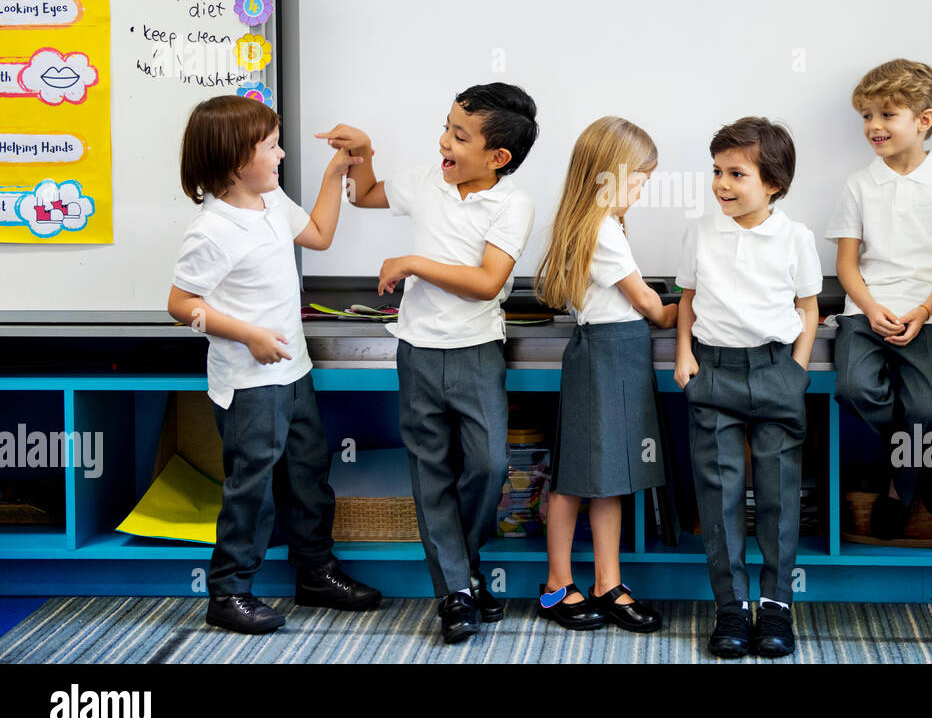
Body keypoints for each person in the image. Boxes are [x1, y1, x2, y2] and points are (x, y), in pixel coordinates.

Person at [318, 83, 538, 644]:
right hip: (417, 350)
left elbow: (487, 283)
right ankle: (456, 593)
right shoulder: (424, 180)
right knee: (430, 473)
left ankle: (460, 569)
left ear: (497, 158)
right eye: (445, 126)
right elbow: (364, 194)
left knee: (488, 465)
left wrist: (413, 261)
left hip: (477, 352)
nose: (444, 141)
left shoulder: (513, 204)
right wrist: (362, 153)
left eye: (459, 136)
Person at [168, 95, 381, 634]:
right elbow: (181, 306)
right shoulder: (212, 229)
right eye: (271, 147)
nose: (282, 154)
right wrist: (247, 334)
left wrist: (337, 172)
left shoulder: (270, 202)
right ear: (238, 161)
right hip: (250, 383)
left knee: (309, 477)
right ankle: (229, 592)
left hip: (292, 373)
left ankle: (314, 572)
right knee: (254, 488)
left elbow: (319, 235)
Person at [675, 117, 821, 658]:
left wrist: (797, 371)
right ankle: (731, 608)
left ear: (773, 183)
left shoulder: (795, 237)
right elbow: (688, 298)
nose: (722, 184)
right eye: (717, 171)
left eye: (737, 173)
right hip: (712, 370)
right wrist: (684, 355)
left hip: (775, 371)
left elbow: (808, 308)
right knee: (720, 492)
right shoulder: (699, 230)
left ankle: (777, 606)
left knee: (780, 494)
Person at [534, 117, 677, 632]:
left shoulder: (599, 224)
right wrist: (708, 300)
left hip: (617, 354)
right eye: (638, 178)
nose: (642, 189)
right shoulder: (602, 231)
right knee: (576, 477)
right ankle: (556, 585)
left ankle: (605, 584)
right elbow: (654, 310)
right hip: (607, 355)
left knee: (607, 477)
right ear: (610, 175)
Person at [826, 60, 932, 537]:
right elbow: (847, 265)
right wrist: (871, 309)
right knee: (853, 390)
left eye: (887, 115)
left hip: (929, 315)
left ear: (924, 119)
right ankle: (924, 460)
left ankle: (902, 481)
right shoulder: (858, 184)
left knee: (926, 409)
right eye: (867, 116)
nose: (874, 126)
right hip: (865, 311)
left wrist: (923, 311)